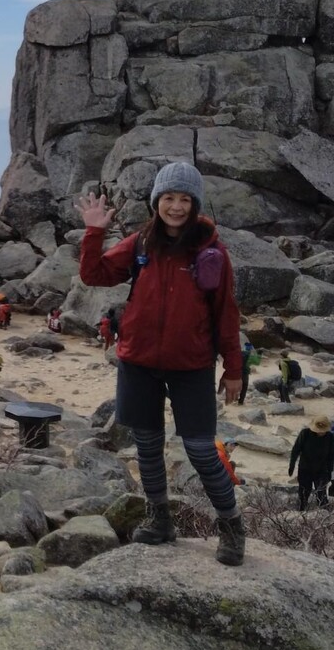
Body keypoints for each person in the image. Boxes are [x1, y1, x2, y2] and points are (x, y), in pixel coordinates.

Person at [77, 161, 247, 566]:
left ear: (195, 203)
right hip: (138, 361)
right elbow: (94, 275)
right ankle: (159, 519)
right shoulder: (140, 244)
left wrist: (235, 368)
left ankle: (231, 526)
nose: (175, 206)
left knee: (203, 450)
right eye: (168, 198)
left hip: (192, 365)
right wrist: (94, 231)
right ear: (156, 201)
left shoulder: (211, 253)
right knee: (148, 445)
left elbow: (227, 312)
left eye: (184, 199)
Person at [289, 415, 334, 510]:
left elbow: (331, 455)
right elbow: (296, 450)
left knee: (321, 494)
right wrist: (292, 465)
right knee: (304, 493)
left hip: (322, 470)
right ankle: (301, 513)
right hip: (305, 468)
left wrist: (330, 471)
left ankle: (324, 515)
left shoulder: (330, 437)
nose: (320, 432)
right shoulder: (305, 433)